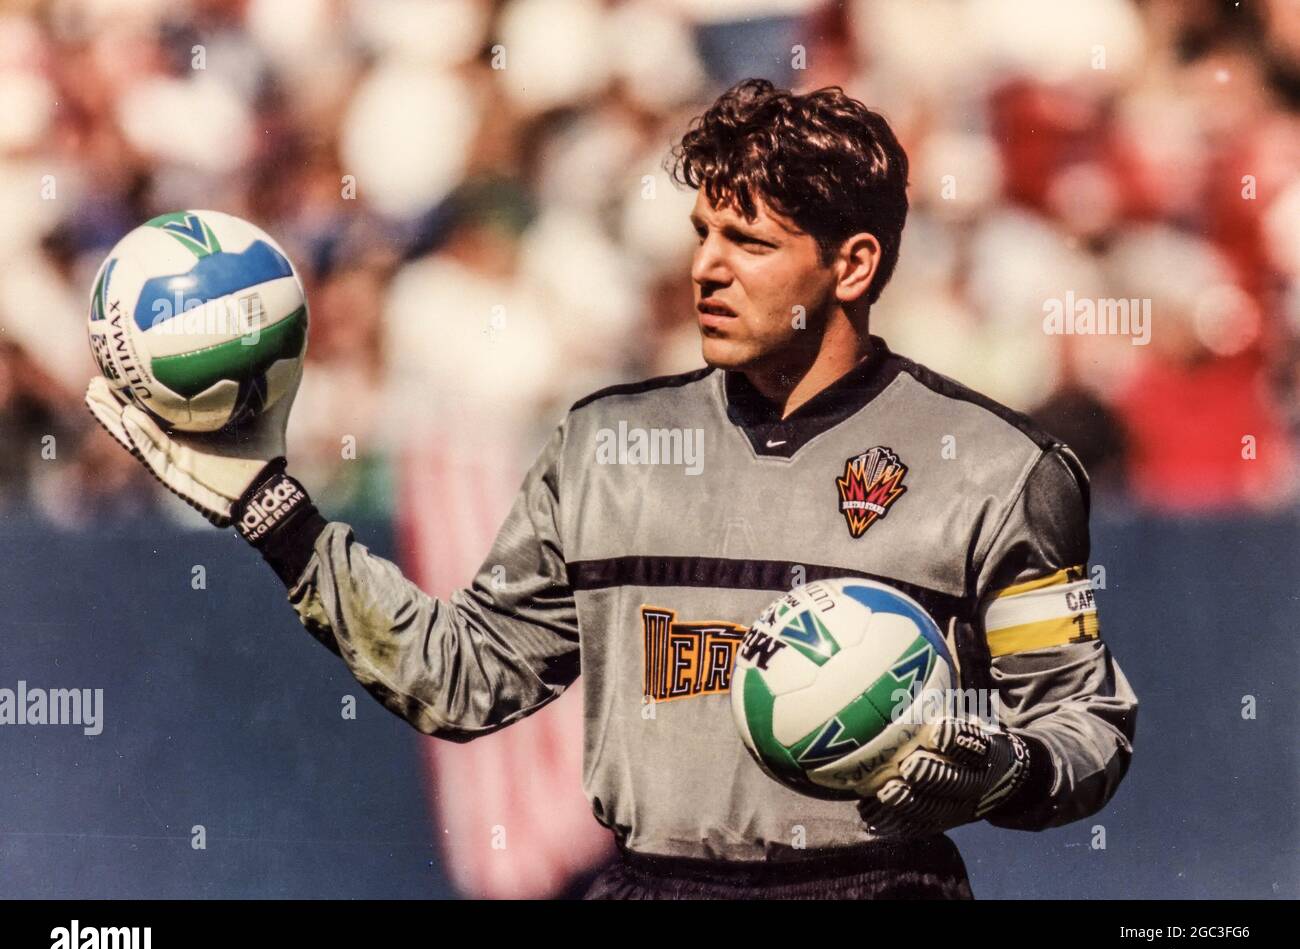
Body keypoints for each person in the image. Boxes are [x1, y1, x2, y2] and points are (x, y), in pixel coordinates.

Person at [85, 79, 1137, 900]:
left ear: (852, 265)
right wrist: (279, 520)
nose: (705, 270)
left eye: (750, 243)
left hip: (880, 891)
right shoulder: (608, 446)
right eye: (702, 235)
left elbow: (1085, 727)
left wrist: (998, 771)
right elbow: (460, 680)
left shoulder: (1001, 471)